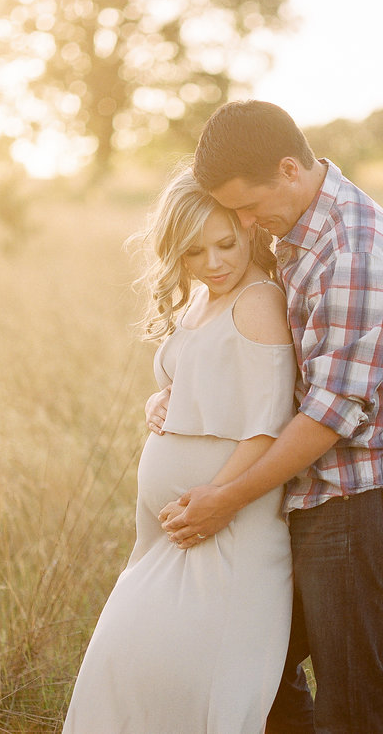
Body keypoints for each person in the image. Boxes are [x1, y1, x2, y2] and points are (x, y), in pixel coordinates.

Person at [154, 100, 383, 734]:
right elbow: (269, 373)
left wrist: (225, 498)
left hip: (361, 498)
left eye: (249, 207)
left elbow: (328, 415)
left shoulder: (352, 249)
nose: (247, 223)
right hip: (308, 498)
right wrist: (180, 394)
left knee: (353, 711)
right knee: (249, 670)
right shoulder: (296, 232)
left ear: (290, 168)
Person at [63, 166, 297, 733]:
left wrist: (218, 497)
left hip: (224, 529)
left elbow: (267, 427)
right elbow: (205, 379)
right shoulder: (201, 302)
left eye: (225, 244)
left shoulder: (258, 299)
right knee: (125, 667)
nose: (215, 263)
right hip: (172, 532)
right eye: (195, 252)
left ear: (248, 231)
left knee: (197, 687)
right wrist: (159, 402)